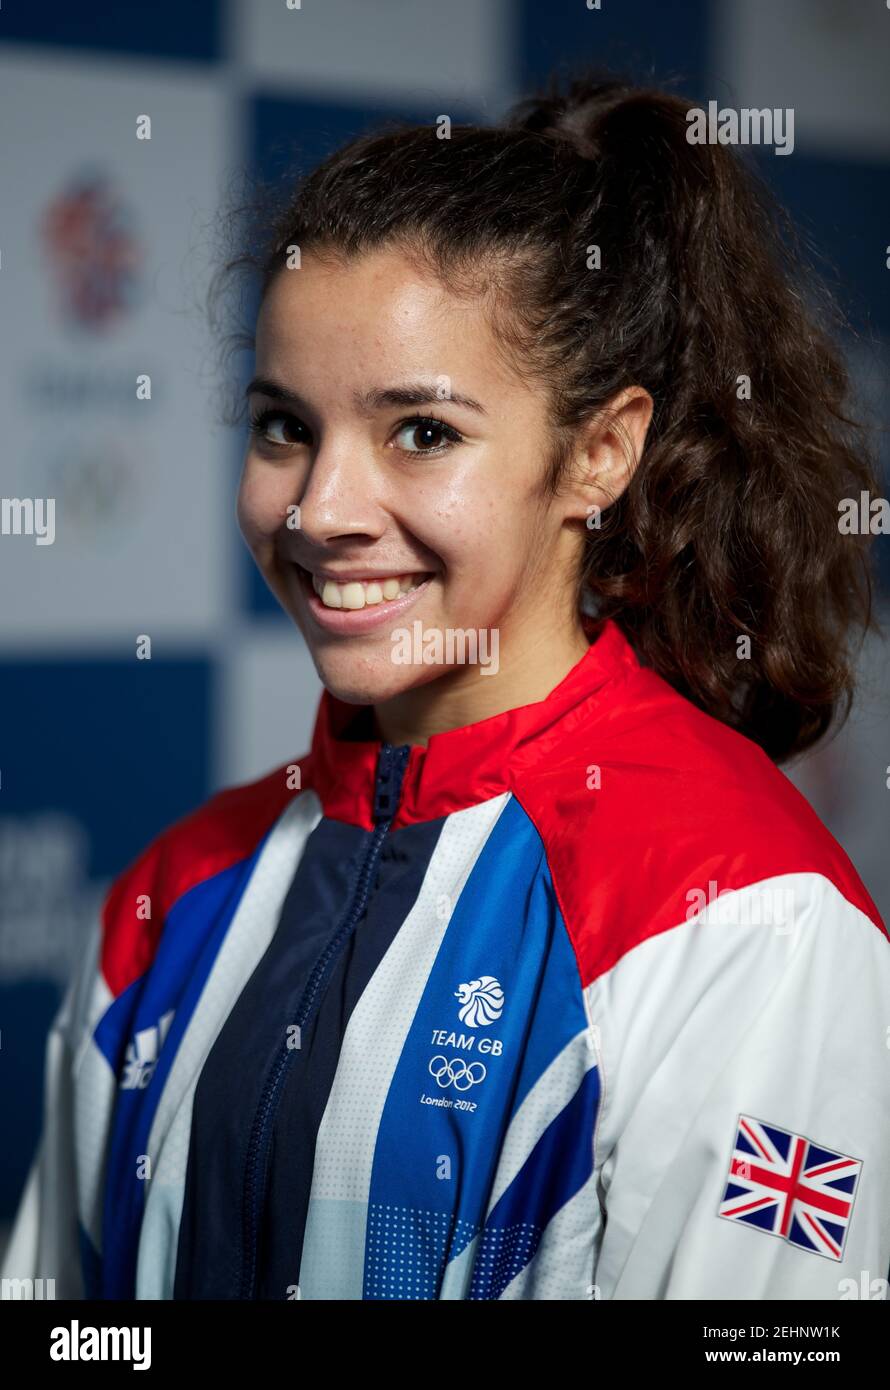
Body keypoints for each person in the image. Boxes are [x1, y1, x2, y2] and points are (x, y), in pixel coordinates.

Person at [4, 69, 889, 1302]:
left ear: (597, 454)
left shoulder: (741, 915)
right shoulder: (173, 893)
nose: (318, 511)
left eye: (420, 431)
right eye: (282, 428)